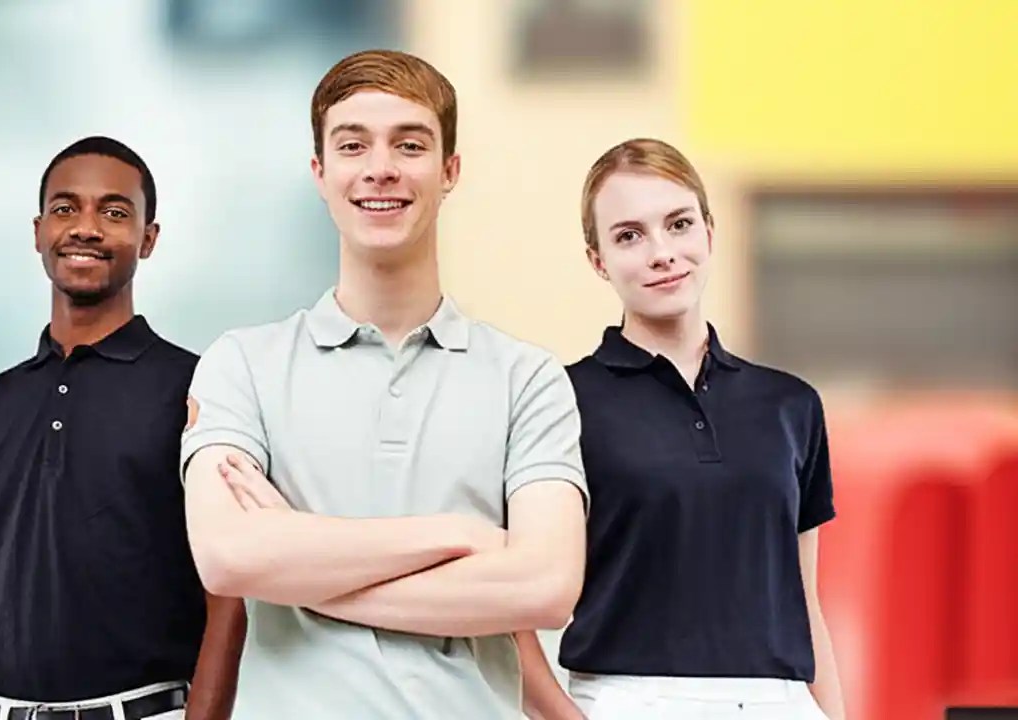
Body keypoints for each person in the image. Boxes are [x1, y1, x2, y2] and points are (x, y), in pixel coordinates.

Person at [179, 49, 588, 719]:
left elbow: (545, 586)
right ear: (320, 171)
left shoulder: (528, 379)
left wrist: (300, 563)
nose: (381, 168)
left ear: (450, 170)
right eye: (352, 145)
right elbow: (227, 558)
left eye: (410, 144)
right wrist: (460, 534)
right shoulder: (240, 365)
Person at [518, 138, 845, 719]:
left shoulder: (790, 404)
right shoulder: (557, 401)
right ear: (598, 261)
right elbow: (510, 609)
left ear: (710, 233)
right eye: (629, 235)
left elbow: (805, 602)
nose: (661, 252)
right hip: (629, 700)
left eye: (678, 224)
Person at [0, 136, 245, 720]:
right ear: (39, 231)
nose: (86, 228)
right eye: (66, 209)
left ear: (149, 239)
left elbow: (227, 596)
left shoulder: (200, 390)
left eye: (115, 212)